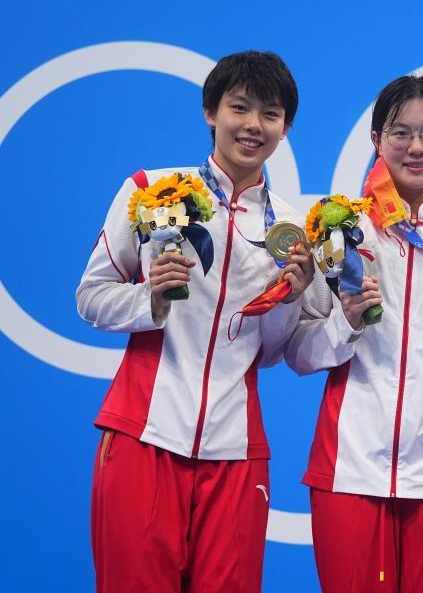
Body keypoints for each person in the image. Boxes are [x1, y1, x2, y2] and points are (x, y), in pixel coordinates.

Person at [77, 50, 324, 593]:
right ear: (211, 112)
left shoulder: (290, 228)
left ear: (285, 128)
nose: (253, 125)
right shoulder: (151, 190)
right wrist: (150, 302)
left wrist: (290, 298)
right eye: (240, 107)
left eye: (271, 114)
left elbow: (272, 351)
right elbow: (91, 298)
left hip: (235, 451)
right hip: (144, 433)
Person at [284, 74, 423, 593]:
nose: (416, 147)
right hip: (348, 468)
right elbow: (299, 354)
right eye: (400, 132)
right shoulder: (338, 232)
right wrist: (346, 322)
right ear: (376, 140)